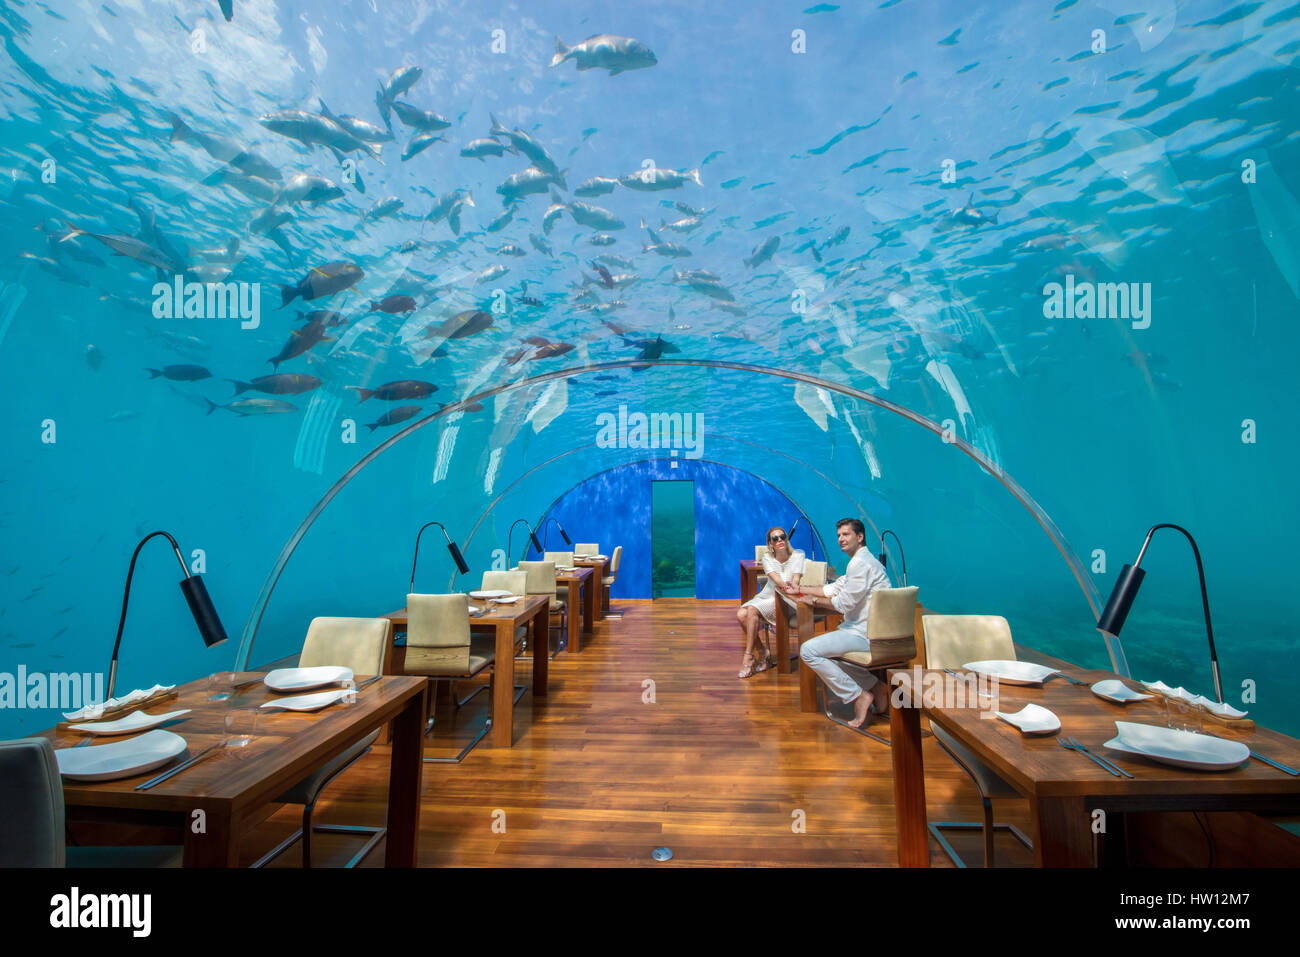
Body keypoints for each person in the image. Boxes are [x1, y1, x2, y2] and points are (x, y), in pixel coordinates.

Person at [787, 518, 890, 727]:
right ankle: (877, 688)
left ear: (860, 537)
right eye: (839, 536)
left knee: (808, 651)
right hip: (862, 632)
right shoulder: (861, 562)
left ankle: (858, 696)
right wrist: (798, 590)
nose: (840, 539)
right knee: (828, 655)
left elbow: (843, 604)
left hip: (865, 634)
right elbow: (832, 588)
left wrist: (814, 601)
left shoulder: (860, 564)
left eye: (846, 534)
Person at [735, 527, 804, 678]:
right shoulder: (767, 559)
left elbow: (796, 579)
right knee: (741, 614)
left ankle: (748, 656)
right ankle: (762, 651)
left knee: (751, 610)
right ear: (770, 544)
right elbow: (776, 580)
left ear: (786, 539)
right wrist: (787, 584)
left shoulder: (798, 556)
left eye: (782, 536)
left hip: (786, 598)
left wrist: (793, 585)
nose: (779, 540)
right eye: (775, 538)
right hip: (769, 595)